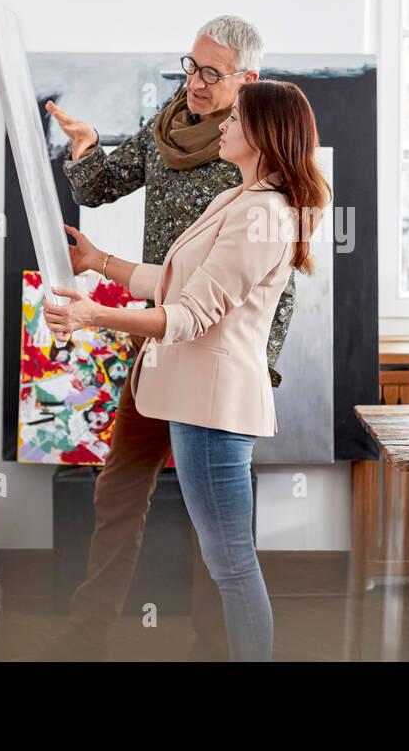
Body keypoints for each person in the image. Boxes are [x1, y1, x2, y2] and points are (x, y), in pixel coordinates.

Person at [42, 79, 330, 661]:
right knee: (228, 559)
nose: (222, 125)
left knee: (230, 563)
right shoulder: (241, 199)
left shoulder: (263, 214)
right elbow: (175, 283)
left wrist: (94, 315)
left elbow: (190, 316)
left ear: (262, 132)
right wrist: (99, 262)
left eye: (235, 119)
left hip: (213, 409)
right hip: (192, 399)